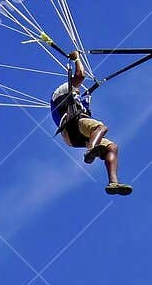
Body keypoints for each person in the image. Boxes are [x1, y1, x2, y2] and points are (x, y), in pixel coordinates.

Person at [50, 56, 132, 195]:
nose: (78, 90)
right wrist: (77, 58)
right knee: (100, 128)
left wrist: (88, 95)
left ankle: (113, 183)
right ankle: (91, 150)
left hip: (73, 138)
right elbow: (80, 75)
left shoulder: (79, 102)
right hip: (71, 123)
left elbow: (84, 97)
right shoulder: (61, 92)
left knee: (112, 147)